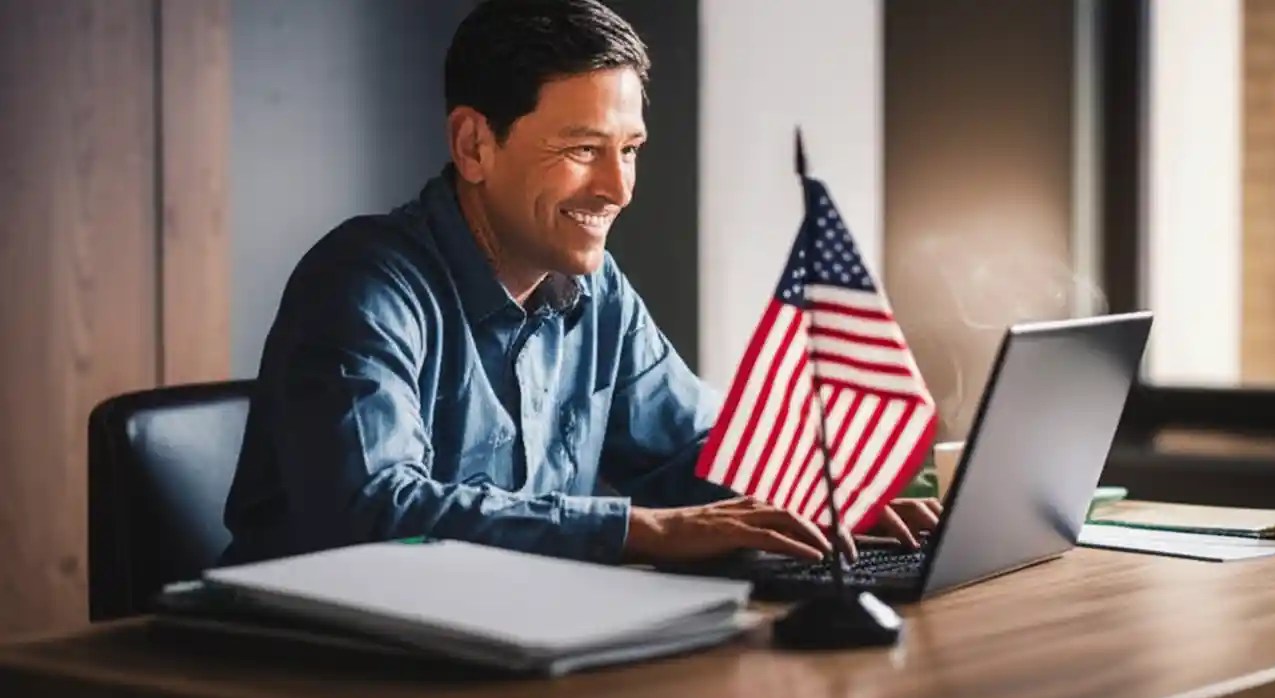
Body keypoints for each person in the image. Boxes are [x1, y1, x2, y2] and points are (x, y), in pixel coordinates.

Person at [221, 0, 941, 568]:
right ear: (474, 145)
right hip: (313, 672)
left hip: (507, 646)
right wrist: (638, 530)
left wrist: (823, 498)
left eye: (629, 150)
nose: (618, 188)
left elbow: (690, 451)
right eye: (583, 149)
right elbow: (374, 511)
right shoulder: (363, 282)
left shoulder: (597, 294)